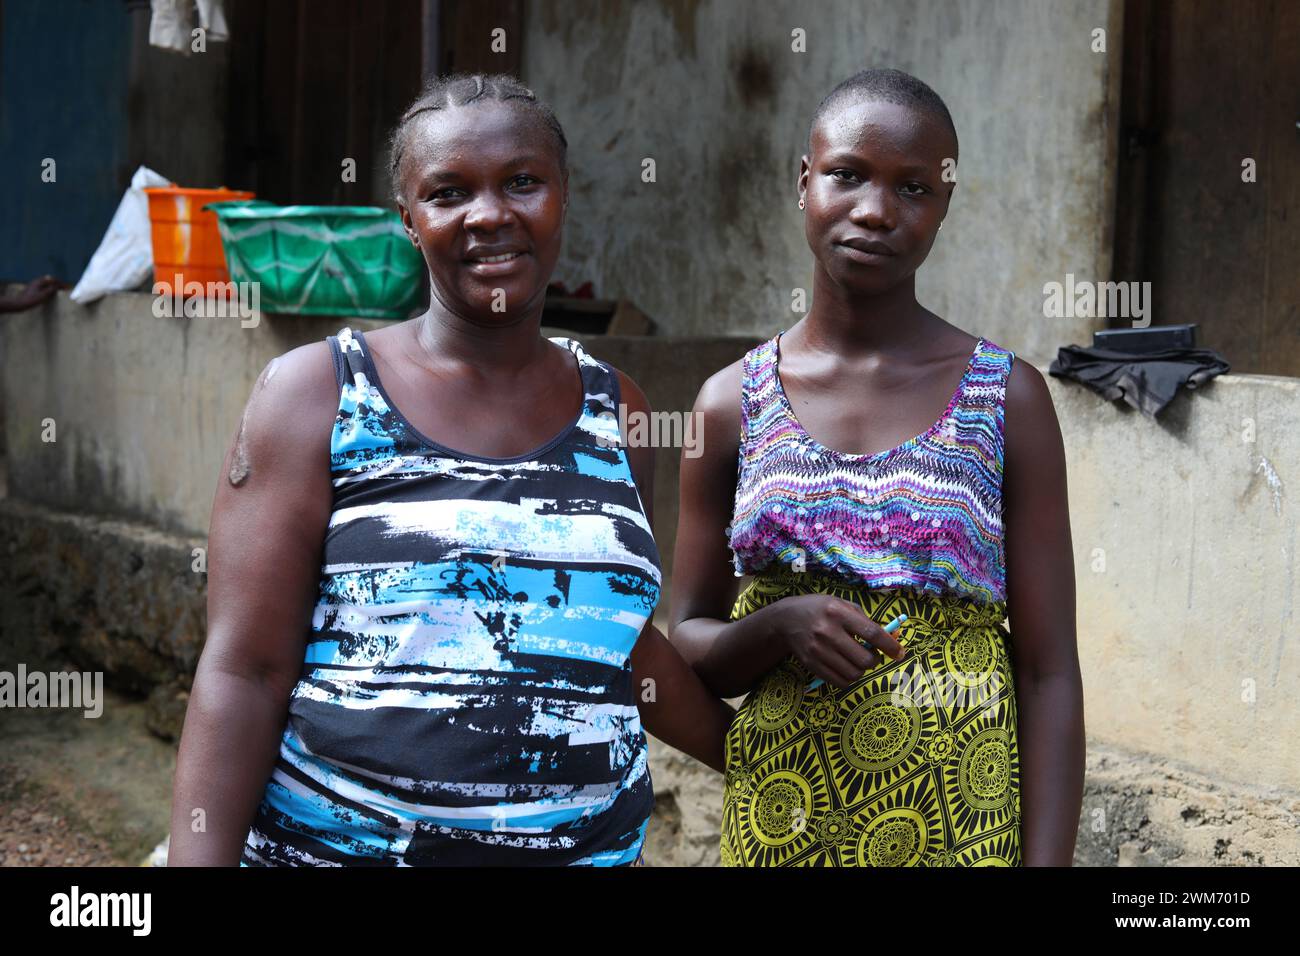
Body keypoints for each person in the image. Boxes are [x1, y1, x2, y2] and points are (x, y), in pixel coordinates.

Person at [169, 73, 734, 866]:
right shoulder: (318, 394)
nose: (490, 215)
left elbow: (611, 638)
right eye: (448, 191)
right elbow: (244, 674)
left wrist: (762, 762)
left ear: (563, 198)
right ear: (409, 219)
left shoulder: (620, 411)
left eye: (523, 182)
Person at [670, 68, 1084, 866]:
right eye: (848, 174)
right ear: (804, 181)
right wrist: (777, 626)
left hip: (963, 816)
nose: (875, 210)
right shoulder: (729, 404)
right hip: (782, 817)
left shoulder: (1008, 399)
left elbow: (1048, 673)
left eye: (914, 187)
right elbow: (686, 640)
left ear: (944, 205)